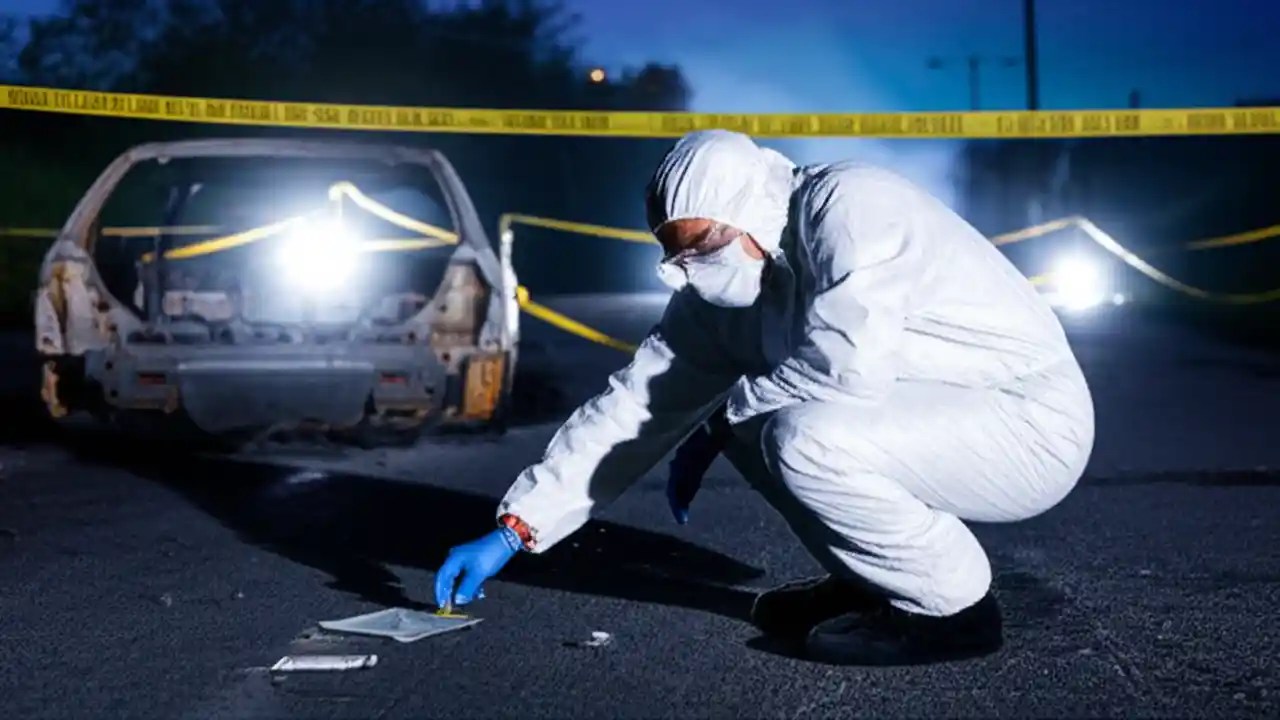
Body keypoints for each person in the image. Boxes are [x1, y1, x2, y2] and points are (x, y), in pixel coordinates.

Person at [434, 130, 1095, 666]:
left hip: (1029, 422)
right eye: (674, 253)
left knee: (794, 434)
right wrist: (516, 528)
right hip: (946, 413)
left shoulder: (849, 207)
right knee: (755, 424)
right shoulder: (723, 291)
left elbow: (846, 369)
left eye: (703, 247)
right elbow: (635, 405)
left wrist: (720, 421)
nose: (687, 270)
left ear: (748, 211)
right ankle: (879, 581)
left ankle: (951, 608)